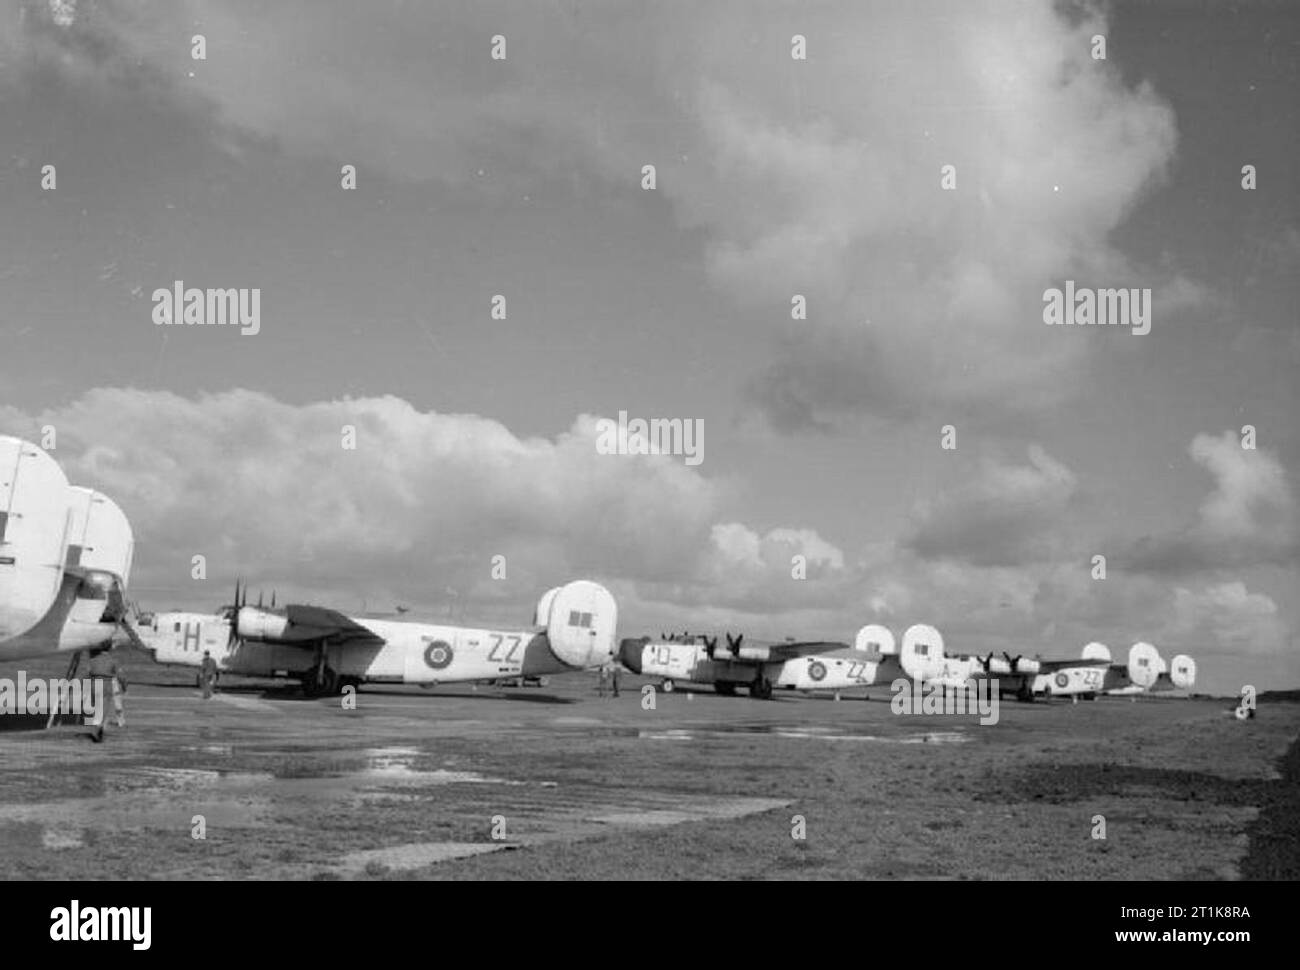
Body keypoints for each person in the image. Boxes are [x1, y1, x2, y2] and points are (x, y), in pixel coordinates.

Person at [85, 647, 121, 743]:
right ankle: (99, 727)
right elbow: (120, 675)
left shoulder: (92, 661)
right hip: (106, 683)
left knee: (96, 706)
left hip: (95, 683)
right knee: (104, 707)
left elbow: (86, 673)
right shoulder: (112, 660)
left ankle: (97, 727)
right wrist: (124, 685)